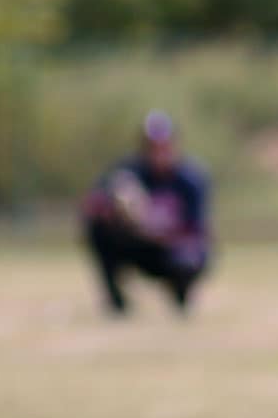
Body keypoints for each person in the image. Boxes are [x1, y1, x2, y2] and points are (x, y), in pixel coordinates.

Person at [79, 111, 212, 317]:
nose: (159, 152)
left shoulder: (190, 179)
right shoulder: (127, 173)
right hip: (139, 245)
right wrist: (114, 210)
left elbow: (197, 229)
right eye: (153, 146)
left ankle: (181, 291)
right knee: (97, 230)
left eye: (164, 145)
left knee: (191, 255)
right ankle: (115, 299)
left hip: (171, 248)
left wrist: (165, 235)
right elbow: (93, 204)